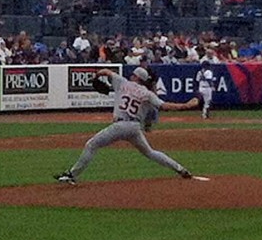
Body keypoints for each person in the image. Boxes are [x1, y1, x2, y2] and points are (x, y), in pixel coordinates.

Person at [54, 66, 198, 184]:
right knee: (150, 152)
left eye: (133, 75)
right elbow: (164, 105)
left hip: (120, 125)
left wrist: (96, 76)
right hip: (135, 128)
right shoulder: (147, 93)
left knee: (91, 145)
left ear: (136, 77)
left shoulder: (122, 82)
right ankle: (180, 169)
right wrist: (185, 106)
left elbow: (105, 71)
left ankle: (72, 174)